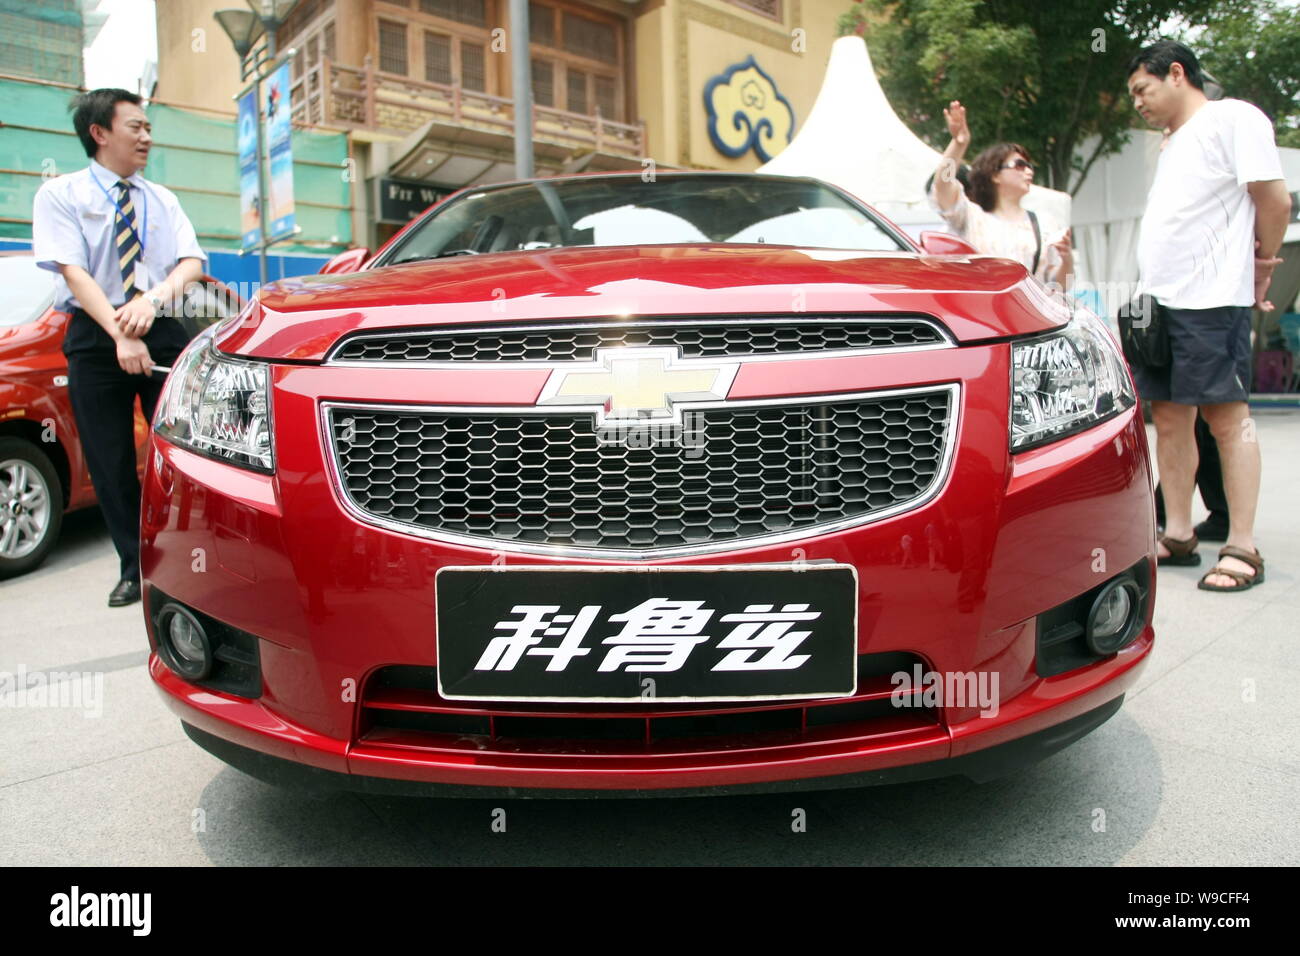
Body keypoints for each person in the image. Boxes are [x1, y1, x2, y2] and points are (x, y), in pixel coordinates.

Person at [1126, 40, 1291, 591]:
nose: (1138, 104)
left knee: (1227, 418)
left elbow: (1274, 199)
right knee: (1170, 420)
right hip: (1160, 304)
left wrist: (1263, 266)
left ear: (1176, 74)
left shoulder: (1233, 118)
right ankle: (1177, 533)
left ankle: (1242, 545)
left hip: (1211, 302)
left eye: (1142, 90)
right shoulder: (1172, 144)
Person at [32, 89, 206, 606]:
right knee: (109, 462)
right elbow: (73, 271)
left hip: (164, 325)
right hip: (95, 333)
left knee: (183, 453)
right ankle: (136, 568)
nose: (147, 136)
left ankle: (190, 563)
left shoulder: (162, 198)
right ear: (100, 133)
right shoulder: (61, 195)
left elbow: (190, 264)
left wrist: (150, 304)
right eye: (135, 127)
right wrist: (120, 332)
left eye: (149, 127)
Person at [931, 101, 1074, 290]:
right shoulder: (971, 217)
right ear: (995, 174)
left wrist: (1067, 261)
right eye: (1020, 165)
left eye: (1030, 166)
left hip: (1026, 317)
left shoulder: (1045, 224)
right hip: (979, 315)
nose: (1029, 171)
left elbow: (1061, 288)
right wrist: (959, 143)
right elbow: (942, 183)